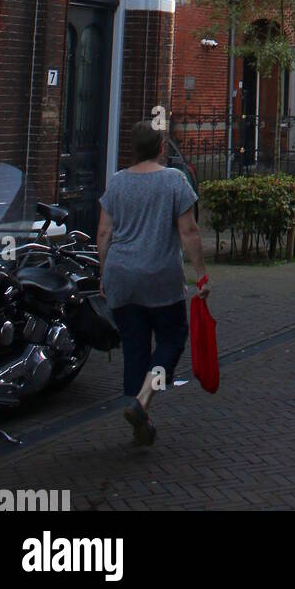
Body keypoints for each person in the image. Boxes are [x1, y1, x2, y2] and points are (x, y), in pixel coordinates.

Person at [97, 120, 210, 446]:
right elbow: (189, 232)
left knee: (135, 347)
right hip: (160, 278)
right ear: (162, 149)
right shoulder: (174, 181)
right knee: (171, 341)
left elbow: (104, 232)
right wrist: (201, 274)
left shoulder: (117, 183)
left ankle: (140, 418)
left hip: (122, 276)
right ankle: (144, 400)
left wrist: (104, 273)